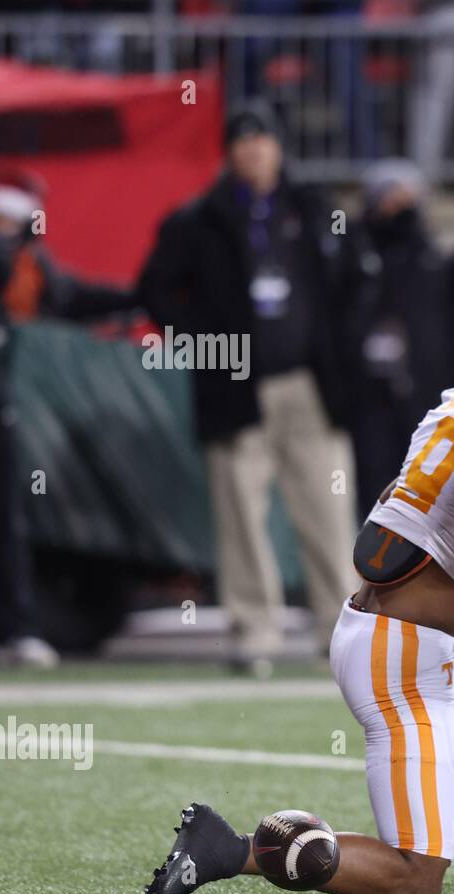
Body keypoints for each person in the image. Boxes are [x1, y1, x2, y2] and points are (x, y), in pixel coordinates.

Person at [144, 293, 454, 894]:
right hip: (405, 667)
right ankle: (228, 849)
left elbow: (444, 537)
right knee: (415, 880)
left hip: (385, 631)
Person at [139, 101, 359, 674]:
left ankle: (342, 633)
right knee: (240, 514)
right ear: (229, 152)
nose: (254, 149)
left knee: (329, 510)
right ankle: (253, 632)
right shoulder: (198, 219)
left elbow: (352, 286)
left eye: (263, 139)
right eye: (242, 140)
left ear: (280, 148)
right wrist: (205, 348)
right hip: (236, 388)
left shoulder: (313, 210)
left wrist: (338, 353)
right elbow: (156, 290)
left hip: (309, 386)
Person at [0, 169, 136, 668]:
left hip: (15, 411)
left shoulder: (33, 267)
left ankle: (13, 626)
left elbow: (71, 297)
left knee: (7, 518)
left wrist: (137, 295)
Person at [349, 159, 454, 518]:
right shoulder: (356, 256)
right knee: (372, 490)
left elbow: (449, 333)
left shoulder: (432, 260)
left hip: (424, 397)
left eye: (408, 199)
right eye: (391, 197)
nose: (400, 208)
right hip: (367, 395)